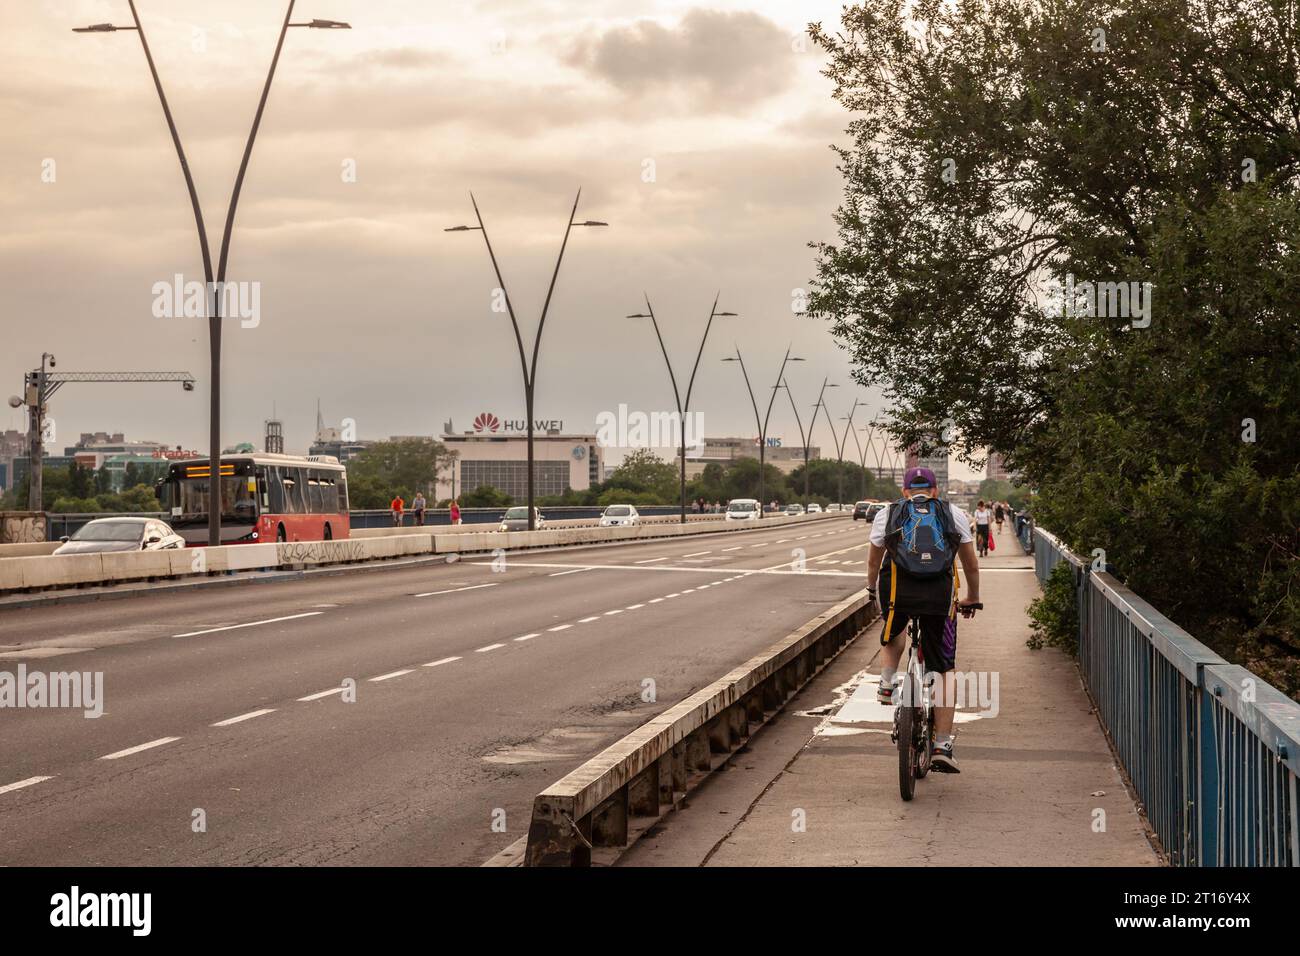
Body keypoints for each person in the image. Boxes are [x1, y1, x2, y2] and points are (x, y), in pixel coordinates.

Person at [865, 467, 981, 772]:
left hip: (897, 592)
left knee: (894, 624)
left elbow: (874, 559)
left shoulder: (887, 514)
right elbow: (970, 564)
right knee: (943, 667)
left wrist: (870, 587)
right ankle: (942, 743)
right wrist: (972, 597)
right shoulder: (952, 513)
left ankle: (887, 683)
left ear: (904, 491)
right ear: (935, 491)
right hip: (938, 598)